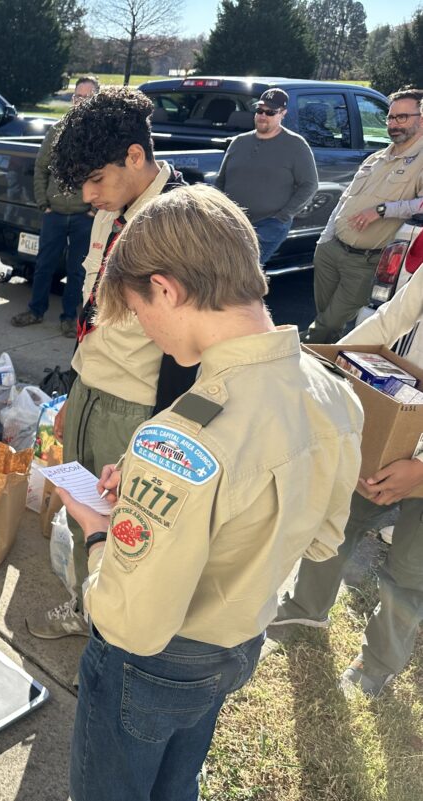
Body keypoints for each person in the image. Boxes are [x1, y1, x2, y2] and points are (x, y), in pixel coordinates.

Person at [57, 184, 363, 801]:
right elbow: (326, 540)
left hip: (153, 664)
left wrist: (96, 530)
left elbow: (127, 623)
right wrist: (151, 490)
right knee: (178, 783)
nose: (147, 328)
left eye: (140, 313)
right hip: (238, 639)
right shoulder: (334, 392)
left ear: (165, 289)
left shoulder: (181, 435)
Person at [26, 87, 191, 641]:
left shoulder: (181, 224)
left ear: (135, 158)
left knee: (130, 530)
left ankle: (117, 630)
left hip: (138, 408)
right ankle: (84, 605)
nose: (89, 196)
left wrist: (162, 429)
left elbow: (194, 348)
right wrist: (74, 392)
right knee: (83, 515)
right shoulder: (111, 210)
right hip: (91, 388)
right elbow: (96, 311)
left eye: (96, 180)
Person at [271, 264, 423, 698]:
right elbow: (393, 317)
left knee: (411, 569)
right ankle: (305, 607)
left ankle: (378, 662)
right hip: (398, 418)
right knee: (339, 518)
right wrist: (327, 364)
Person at [305, 87, 423, 343]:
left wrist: (382, 211)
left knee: (327, 324)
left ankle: (297, 366)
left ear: (421, 118)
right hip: (331, 250)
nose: (393, 124)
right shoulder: (376, 157)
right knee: (326, 320)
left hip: (364, 261)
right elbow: (345, 200)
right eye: (390, 118)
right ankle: (327, 368)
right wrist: (324, 241)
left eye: (402, 117)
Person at [10, 76, 98, 336]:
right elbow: (40, 167)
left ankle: (69, 318)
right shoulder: (58, 130)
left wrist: (94, 210)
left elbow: (106, 174)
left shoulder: (99, 136)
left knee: (77, 271)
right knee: (44, 265)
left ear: (95, 100)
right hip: (54, 213)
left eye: (86, 97)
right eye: (76, 96)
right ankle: (36, 310)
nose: (80, 101)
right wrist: (43, 203)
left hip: (84, 215)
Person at [214, 87, 318, 265]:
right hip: (231, 223)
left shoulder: (296, 145)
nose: (263, 115)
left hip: (267, 225)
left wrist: (282, 216)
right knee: (221, 272)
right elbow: (221, 181)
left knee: (243, 274)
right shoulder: (239, 142)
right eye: (259, 110)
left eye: (270, 112)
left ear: (283, 113)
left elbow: (309, 185)